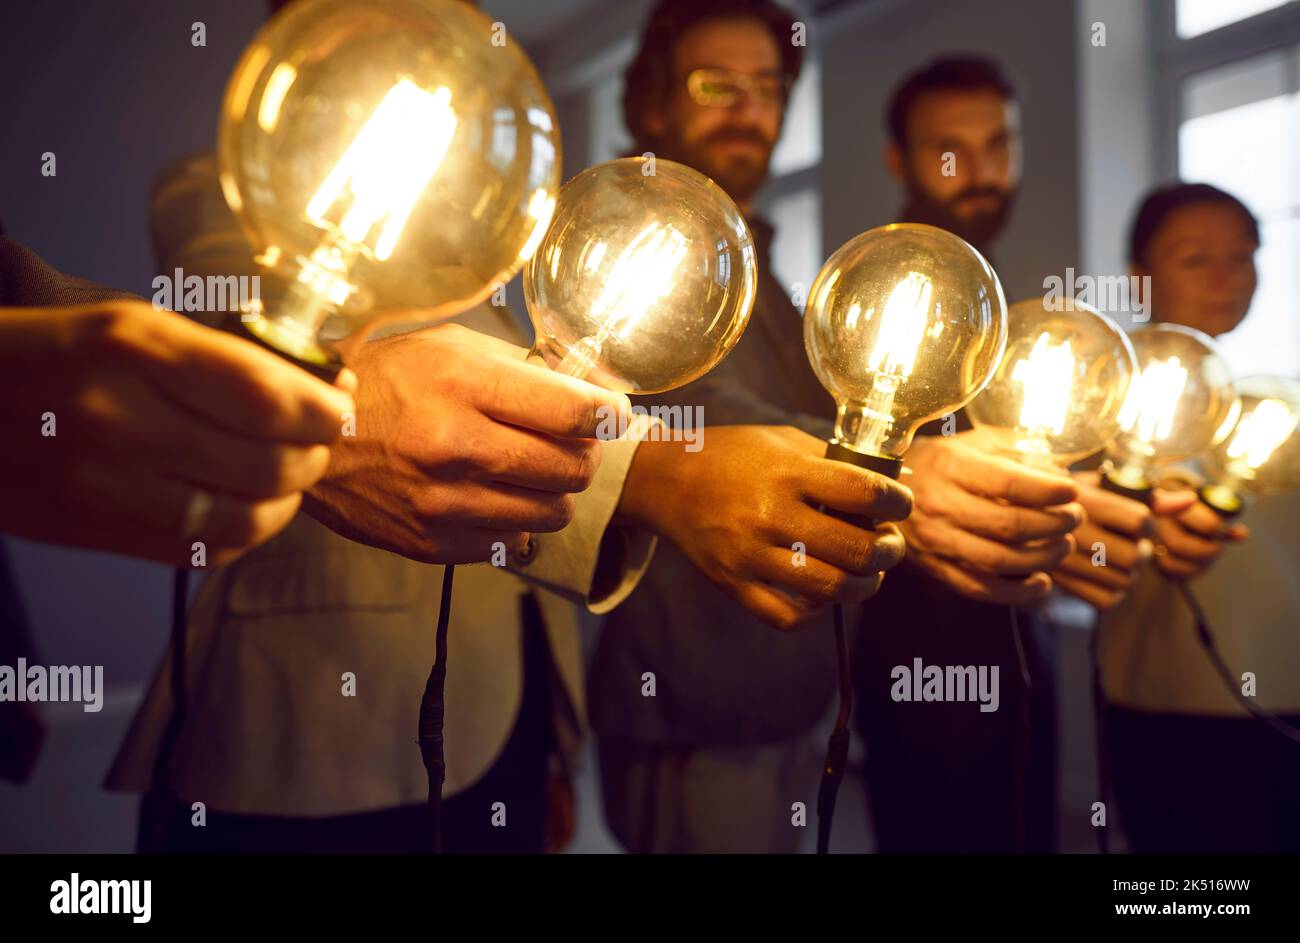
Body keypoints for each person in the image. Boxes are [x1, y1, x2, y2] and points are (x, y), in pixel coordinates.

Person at [106, 73, 909, 853]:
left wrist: (553, 746)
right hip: (304, 721)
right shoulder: (241, 184)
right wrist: (660, 468)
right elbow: (278, 340)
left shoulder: (493, 221)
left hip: (504, 714)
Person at [588, 11, 1073, 853]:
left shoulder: (759, 270)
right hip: (696, 701)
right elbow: (699, 415)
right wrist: (910, 469)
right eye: (715, 85)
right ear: (651, 100)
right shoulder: (639, 248)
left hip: (792, 690)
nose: (748, 109)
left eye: (768, 87)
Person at [852, 56, 1087, 852]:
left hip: (1024, 636)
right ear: (900, 160)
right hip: (919, 654)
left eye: (998, 144)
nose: (979, 172)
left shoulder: (999, 299)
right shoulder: (881, 298)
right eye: (949, 150)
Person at [1055, 182, 1300, 852]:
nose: (1227, 278)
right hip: (1162, 706)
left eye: (1243, 255)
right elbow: (1053, 534)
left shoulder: (1279, 405)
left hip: (1286, 703)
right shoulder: (1101, 400)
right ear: (1140, 278)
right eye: (1196, 258)